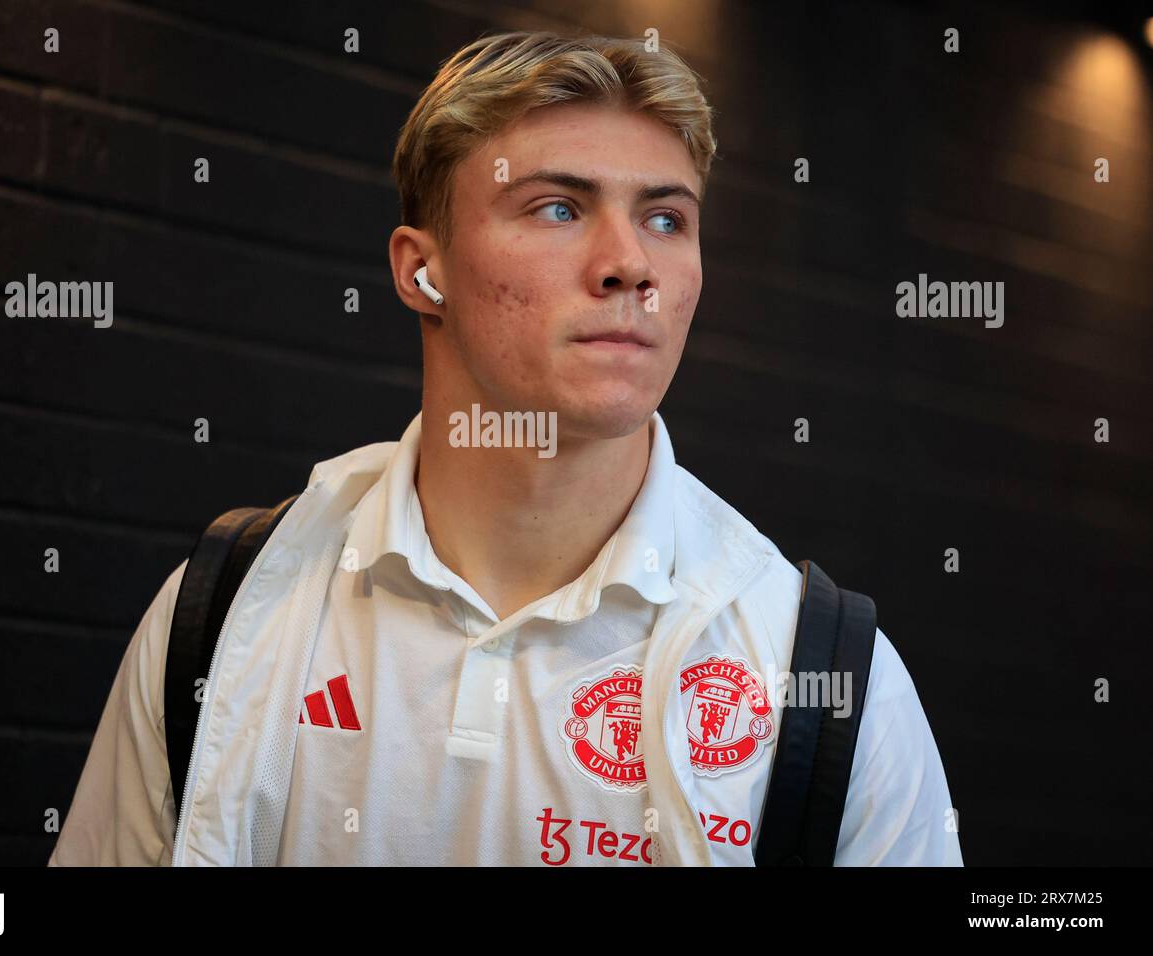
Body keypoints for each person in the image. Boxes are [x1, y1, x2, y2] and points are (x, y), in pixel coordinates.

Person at [49, 30, 963, 867]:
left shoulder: (821, 675)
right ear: (421, 270)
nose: (629, 265)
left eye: (665, 218)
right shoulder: (228, 613)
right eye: (558, 209)